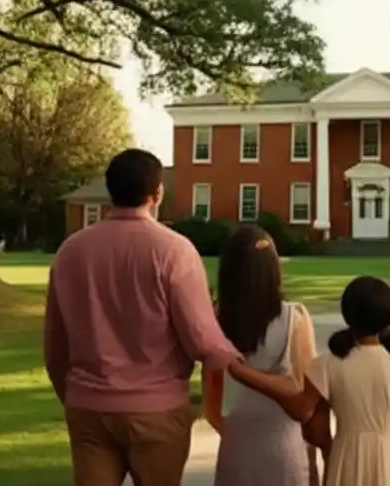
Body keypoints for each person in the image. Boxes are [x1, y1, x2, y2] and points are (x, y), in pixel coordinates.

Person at [44, 148, 263, 486]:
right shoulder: (173, 250)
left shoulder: (71, 251)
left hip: (89, 406)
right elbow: (202, 339)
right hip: (155, 409)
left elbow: (55, 343)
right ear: (157, 193)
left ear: (110, 189)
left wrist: (74, 396)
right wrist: (245, 365)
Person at [233, 276, 390, 486]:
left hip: (348, 460)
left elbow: (313, 427)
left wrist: (247, 375)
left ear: (348, 314)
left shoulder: (327, 364)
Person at [205, 225, 319, 486]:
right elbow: (308, 398)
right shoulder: (295, 319)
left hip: (237, 447)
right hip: (284, 445)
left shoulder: (215, 319)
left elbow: (212, 405)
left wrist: (235, 431)